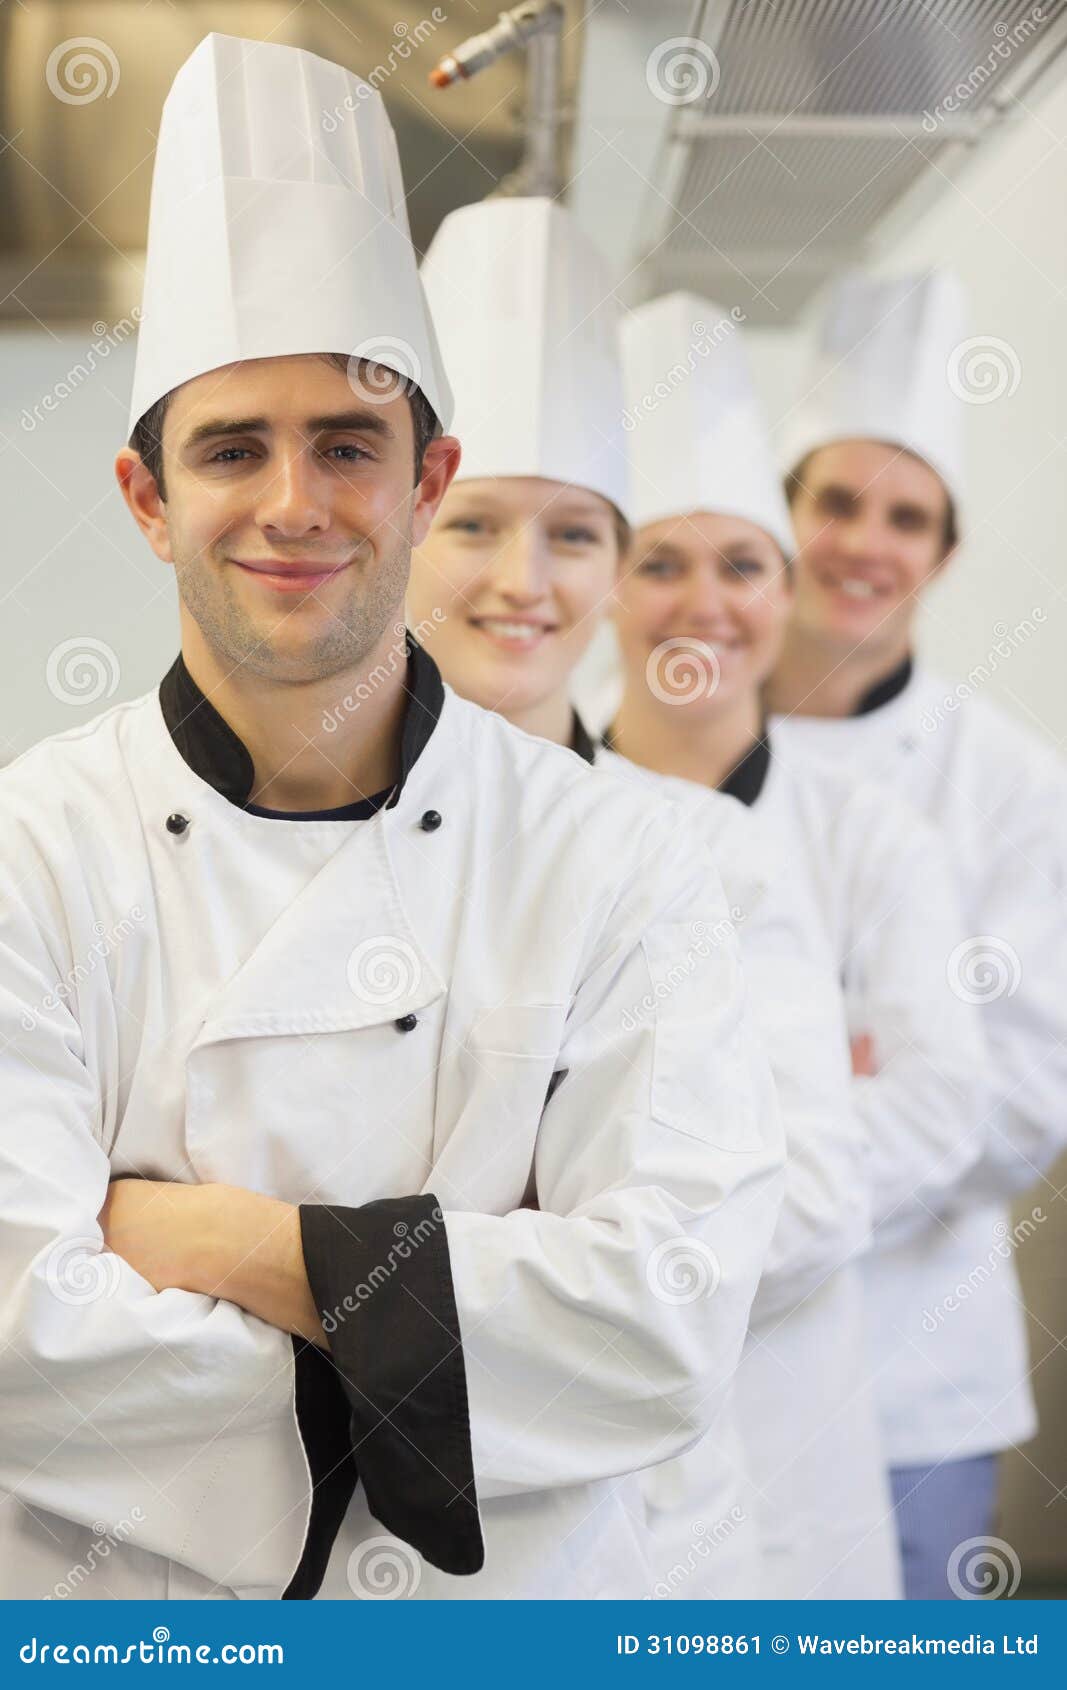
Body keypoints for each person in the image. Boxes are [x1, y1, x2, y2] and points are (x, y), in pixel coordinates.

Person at [0, 36, 785, 1602]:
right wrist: (452, 1318)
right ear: (149, 499)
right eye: (233, 447)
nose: (296, 501)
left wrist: (217, 1242)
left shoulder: (616, 854)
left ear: (425, 481)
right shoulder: (32, 847)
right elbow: (20, 1332)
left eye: (348, 444)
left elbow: (666, 1316)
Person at [411, 202, 896, 1597]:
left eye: (573, 533)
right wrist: (585, 1213)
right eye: (475, 524)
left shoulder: (707, 856)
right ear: (401, 531)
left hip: (647, 1531)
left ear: (611, 571)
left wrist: (382, 1255)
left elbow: (806, 1197)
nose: (523, 580)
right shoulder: (302, 836)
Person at [608, 291, 994, 1597]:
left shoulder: (874, 835)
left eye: (742, 566)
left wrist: (646, 1210)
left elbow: (942, 1106)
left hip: (812, 1395)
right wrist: (807, 1107)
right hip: (592, 1417)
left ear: (783, 590)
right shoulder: (541, 811)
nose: (704, 604)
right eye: (659, 562)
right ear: (605, 589)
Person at [766, 268, 1067, 1598]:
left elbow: (1019, 1106)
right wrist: (873, 1071)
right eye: (837, 501)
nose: (864, 544)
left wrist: (763, 1117)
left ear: (942, 555)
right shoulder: (652, 740)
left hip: (918, 1380)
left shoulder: (1009, 784)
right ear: (781, 516)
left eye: (907, 517)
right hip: (701, 1368)